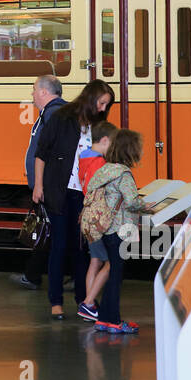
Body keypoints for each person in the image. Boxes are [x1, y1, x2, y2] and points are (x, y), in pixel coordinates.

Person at [33, 80, 115, 320]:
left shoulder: (100, 126)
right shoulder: (62, 117)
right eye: (101, 103)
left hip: (86, 195)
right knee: (59, 246)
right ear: (91, 98)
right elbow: (42, 154)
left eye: (106, 105)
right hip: (59, 191)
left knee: (82, 248)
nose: (103, 109)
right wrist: (38, 185)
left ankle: (84, 299)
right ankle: (55, 302)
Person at [85, 128, 147, 333]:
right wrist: (147, 205)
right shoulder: (123, 173)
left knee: (113, 271)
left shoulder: (104, 169)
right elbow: (131, 201)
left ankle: (104, 319)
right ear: (130, 151)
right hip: (120, 230)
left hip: (105, 229)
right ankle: (114, 321)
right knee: (116, 276)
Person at [12, 75, 65, 291]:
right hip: (50, 184)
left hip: (50, 185)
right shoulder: (53, 113)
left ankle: (34, 277)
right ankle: (34, 275)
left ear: (44, 92)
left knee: (50, 230)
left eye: (34, 90)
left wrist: (40, 184)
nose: (32, 95)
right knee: (52, 231)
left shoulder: (53, 114)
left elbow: (46, 153)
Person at [76, 120, 119, 323]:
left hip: (87, 217)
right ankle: (89, 302)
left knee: (95, 261)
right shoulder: (100, 164)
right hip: (99, 219)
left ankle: (89, 305)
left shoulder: (83, 159)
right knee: (111, 263)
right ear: (104, 140)